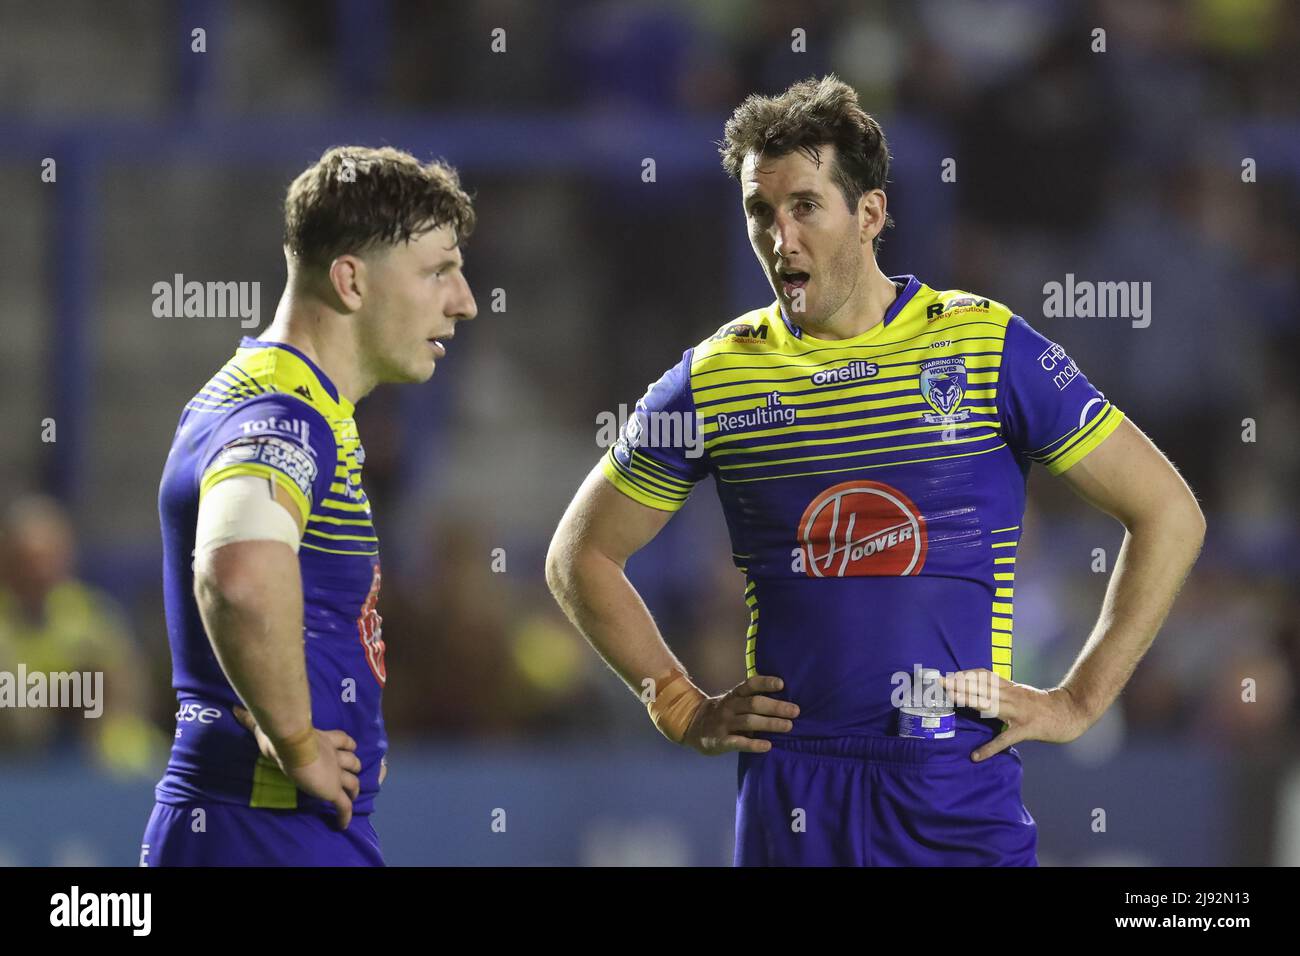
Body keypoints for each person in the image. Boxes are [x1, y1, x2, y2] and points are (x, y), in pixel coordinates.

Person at [546, 75, 1205, 866]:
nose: (779, 238)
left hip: (952, 784)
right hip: (793, 789)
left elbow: (1169, 512)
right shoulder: (718, 374)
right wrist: (678, 703)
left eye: (803, 207)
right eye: (761, 212)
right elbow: (579, 555)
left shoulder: (983, 345)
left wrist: (1080, 699)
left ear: (870, 214)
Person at [141, 146, 478, 866]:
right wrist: (297, 740)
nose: (464, 300)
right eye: (438, 271)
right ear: (351, 280)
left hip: (250, 827)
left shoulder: (270, 399)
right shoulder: (284, 414)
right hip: (266, 832)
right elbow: (236, 575)